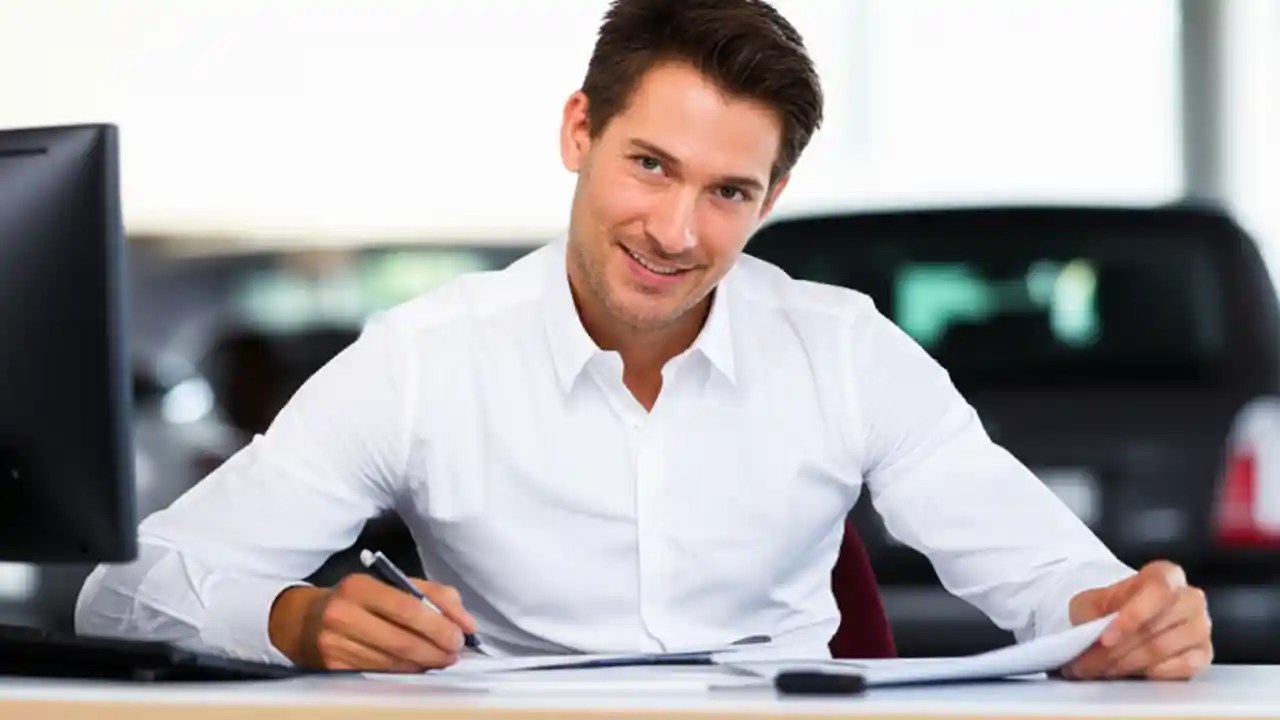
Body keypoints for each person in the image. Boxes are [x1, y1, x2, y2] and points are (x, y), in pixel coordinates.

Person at [77, 0, 1212, 680]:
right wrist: (299, 617)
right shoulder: (424, 360)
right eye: (649, 166)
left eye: (726, 191)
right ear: (580, 130)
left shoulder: (844, 349)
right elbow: (121, 594)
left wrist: (1121, 621)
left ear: (770, 196)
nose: (675, 232)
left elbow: (1051, 580)